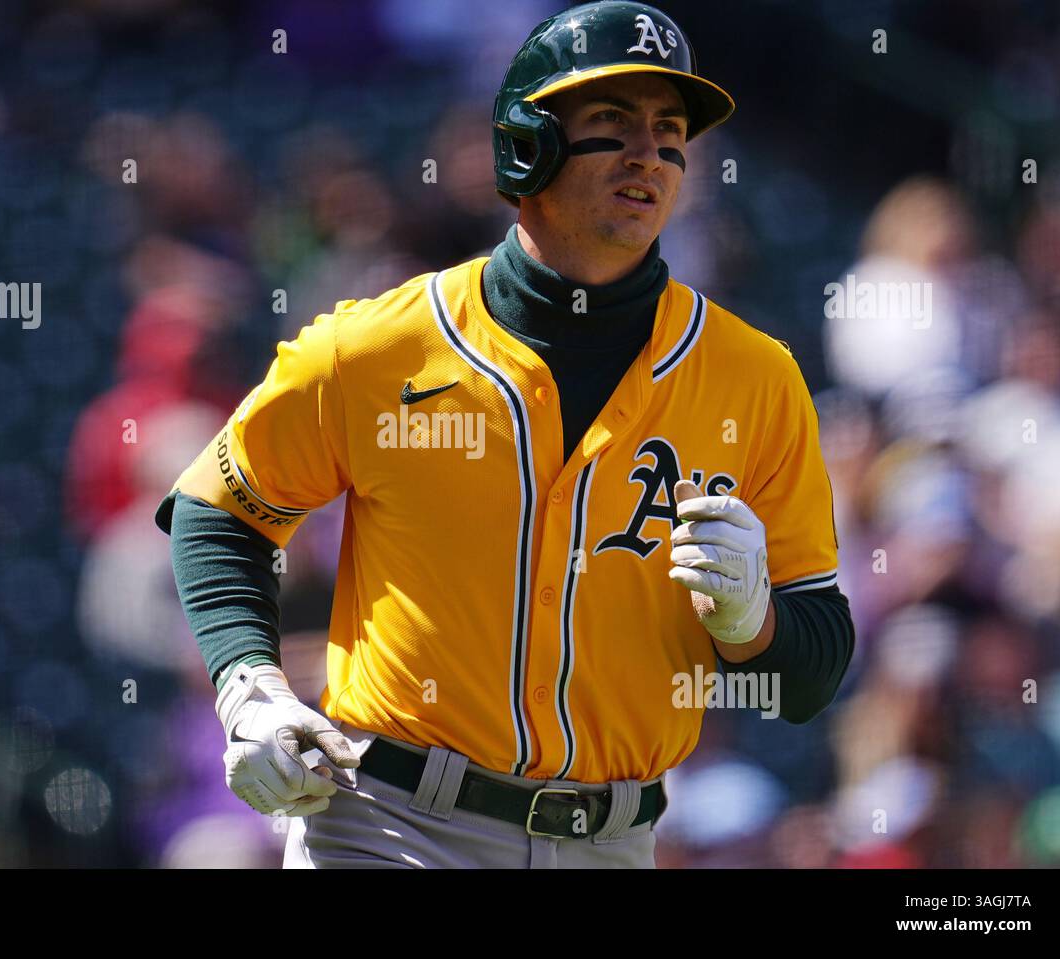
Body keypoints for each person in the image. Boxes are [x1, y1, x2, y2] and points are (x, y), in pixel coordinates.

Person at [156, 1, 853, 869]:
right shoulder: (375, 348)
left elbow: (812, 672)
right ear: (529, 144)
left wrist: (754, 623)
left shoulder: (757, 377)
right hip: (390, 825)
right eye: (612, 121)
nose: (650, 153)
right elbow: (218, 513)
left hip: (616, 842)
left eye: (670, 130)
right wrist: (250, 690)